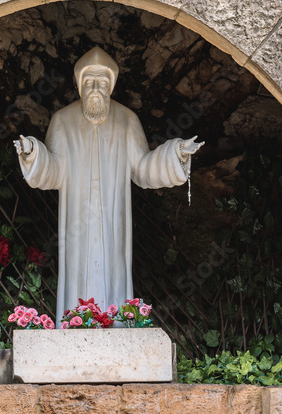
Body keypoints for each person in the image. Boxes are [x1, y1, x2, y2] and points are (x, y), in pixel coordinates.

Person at [15, 47, 202, 315]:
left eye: (102, 82)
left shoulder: (127, 120)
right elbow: (55, 170)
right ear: (79, 85)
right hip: (76, 223)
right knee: (77, 275)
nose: (95, 88)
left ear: (111, 86)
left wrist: (176, 153)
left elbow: (143, 169)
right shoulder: (63, 120)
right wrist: (33, 154)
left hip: (113, 221)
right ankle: (74, 324)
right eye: (89, 81)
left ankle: (115, 325)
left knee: (113, 271)